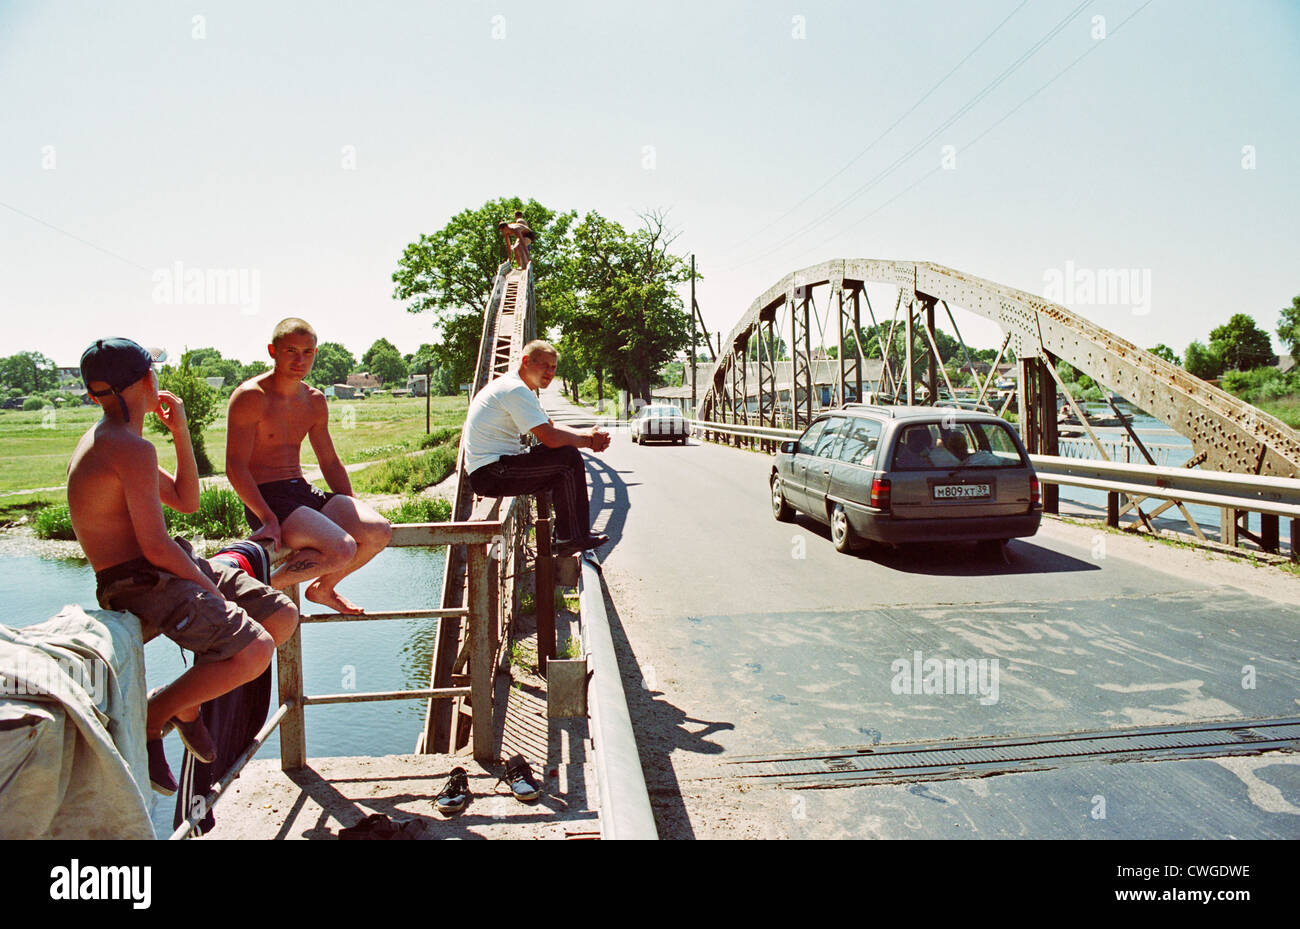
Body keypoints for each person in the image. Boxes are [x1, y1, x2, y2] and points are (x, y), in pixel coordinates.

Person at [68, 338, 298, 794]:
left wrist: (180, 433)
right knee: (253, 650)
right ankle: (156, 715)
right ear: (143, 382)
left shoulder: (123, 443)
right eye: (153, 370)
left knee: (281, 616)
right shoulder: (122, 448)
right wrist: (211, 593)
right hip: (136, 581)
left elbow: (187, 502)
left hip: (165, 568)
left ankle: (186, 705)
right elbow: (154, 547)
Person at [226, 318, 391, 614]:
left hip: (301, 491)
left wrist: (348, 503)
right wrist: (266, 518)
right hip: (267, 499)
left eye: (307, 352)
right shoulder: (251, 397)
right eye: (291, 350)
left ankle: (323, 589)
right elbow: (235, 467)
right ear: (272, 351)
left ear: (315, 353)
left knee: (378, 531)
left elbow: (328, 460)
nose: (300, 359)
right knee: (342, 548)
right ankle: (261, 585)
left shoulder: (314, 400)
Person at [465, 340, 610, 555]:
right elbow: (551, 437)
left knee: (562, 455)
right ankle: (570, 537)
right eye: (544, 365)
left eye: (553, 367)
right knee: (567, 460)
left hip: (494, 469)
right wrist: (589, 443)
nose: (550, 372)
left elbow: (550, 426)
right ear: (526, 361)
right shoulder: (515, 389)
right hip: (491, 473)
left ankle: (566, 534)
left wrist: (588, 434)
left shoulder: (518, 387)